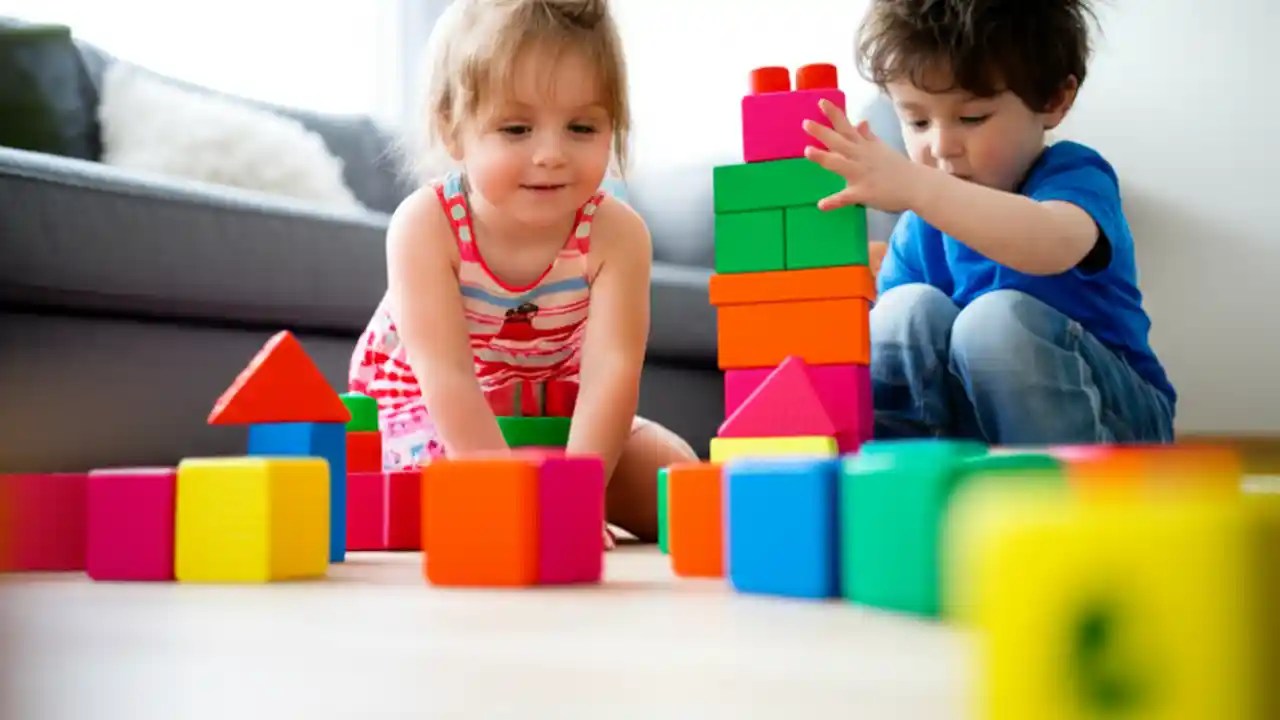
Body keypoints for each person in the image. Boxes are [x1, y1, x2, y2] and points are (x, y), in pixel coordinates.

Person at [349, 0, 698, 547]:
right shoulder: (425, 226)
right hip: (432, 412)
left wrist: (577, 500)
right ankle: (513, 496)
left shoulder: (617, 235)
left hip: (545, 402)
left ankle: (549, 491)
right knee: (442, 513)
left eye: (582, 126)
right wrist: (506, 502)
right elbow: (447, 380)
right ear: (454, 130)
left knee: (678, 482)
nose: (552, 154)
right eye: (516, 129)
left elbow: (610, 374)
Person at [802, 0, 1176, 445]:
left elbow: (1050, 242)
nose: (941, 146)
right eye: (916, 120)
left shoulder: (1074, 177)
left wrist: (918, 188)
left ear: (1055, 100)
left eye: (972, 117)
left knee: (994, 322)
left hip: (1117, 422)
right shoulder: (918, 227)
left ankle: (1058, 501)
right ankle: (908, 487)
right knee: (903, 309)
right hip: (980, 436)